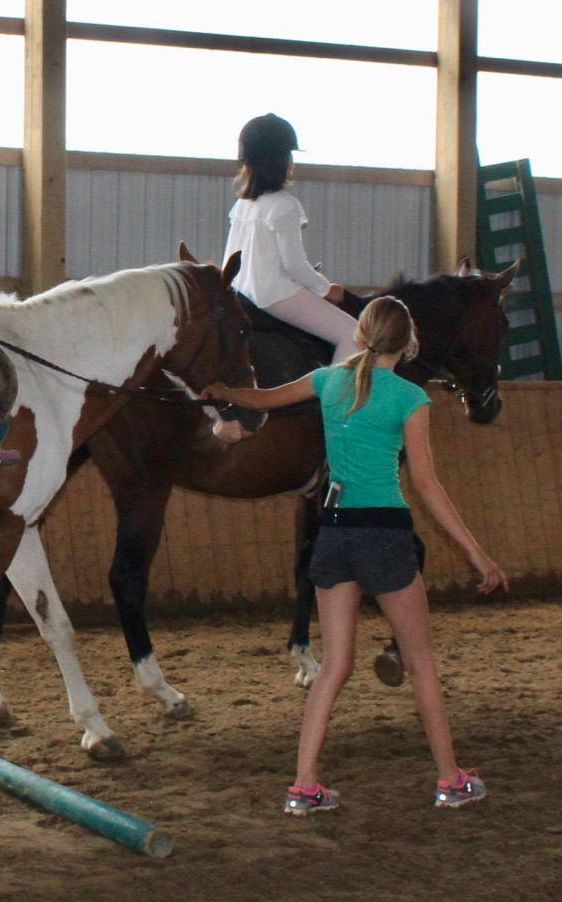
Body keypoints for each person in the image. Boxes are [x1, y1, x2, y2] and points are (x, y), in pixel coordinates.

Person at [205, 296, 507, 816]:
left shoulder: (328, 381)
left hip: (335, 532)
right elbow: (427, 486)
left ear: (361, 336)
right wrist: (479, 557)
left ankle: (304, 786)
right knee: (421, 665)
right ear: (408, 345)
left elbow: (264, 399)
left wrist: (225, 392)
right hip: (384, 535)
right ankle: (450, 779)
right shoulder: (410, 398)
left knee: (333, 667)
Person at [225, 113, 358, 364]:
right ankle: (334, 390)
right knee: (353, 335)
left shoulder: (242, 205)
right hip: (275, 297)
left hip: (242, 294)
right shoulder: (285, 205)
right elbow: (294, 267)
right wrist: (326, 288)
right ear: (279, 161)